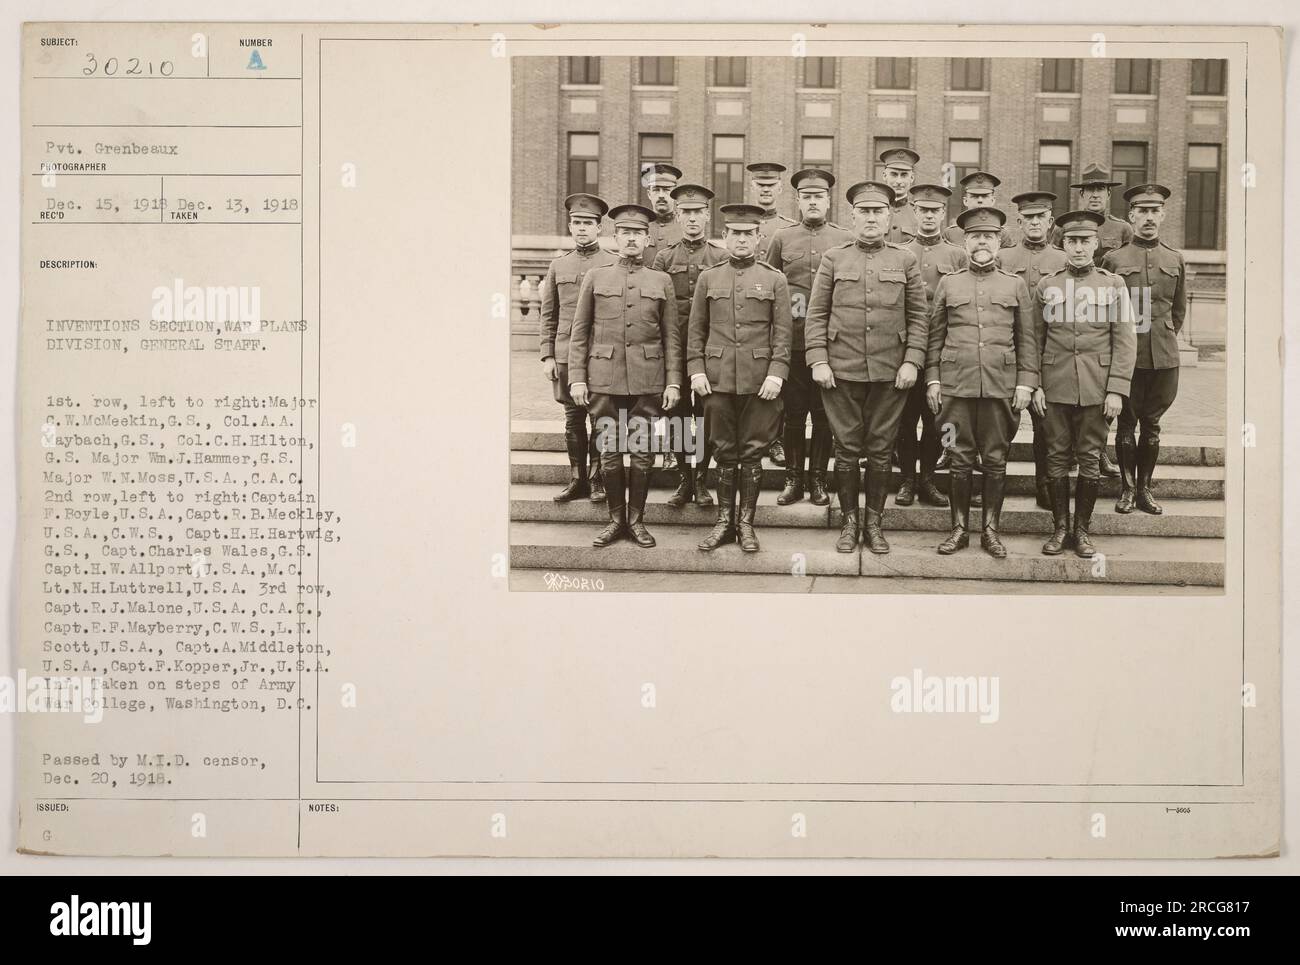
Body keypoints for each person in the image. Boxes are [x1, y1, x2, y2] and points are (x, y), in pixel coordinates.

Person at [805, 180, 928, 554]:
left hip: (891, 373)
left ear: (889, 216)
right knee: (845, 449)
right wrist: (818, 359)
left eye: (878, 212)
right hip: (841, 370)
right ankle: (848, 523)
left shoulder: (905, 259)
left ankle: (873, 523)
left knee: (880, 448)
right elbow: (816, 313)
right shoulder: (834, 258)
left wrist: (912, 361)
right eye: (864, 212)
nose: (871, 218)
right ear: (853, 217)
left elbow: (919, 316)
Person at [925, 207, 1038, 557]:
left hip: (1000, 389)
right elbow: (935, 336)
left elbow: (1027, 340)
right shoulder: (949, 282)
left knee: (995, 459)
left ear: (999, 241)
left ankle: (991, 531)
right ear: (965, 241)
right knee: (958, 458)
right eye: (975, 237)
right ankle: (959, 529)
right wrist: (932, 380)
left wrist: (1025, 383)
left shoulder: (1014, 284)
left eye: (988, 236)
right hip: (955, 390)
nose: (982, 243)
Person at [568, 203, 682, 549]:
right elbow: (580, 330)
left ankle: (637, 520)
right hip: (604, 376)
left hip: (648, 377)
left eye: (638, 233)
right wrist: (577, 377)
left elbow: (671, 336)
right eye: (625, 233)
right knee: (610, 450)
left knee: (644, 451)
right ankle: (616, 520)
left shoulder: (660, 280)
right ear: (614, 237)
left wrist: (674, 381)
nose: (632, 239)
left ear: (648, 240)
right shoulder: (596, 276)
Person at [1031, 210, 1136, 558]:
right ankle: (1060, 528)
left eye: (1085, 241)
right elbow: (1034, 339)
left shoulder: (1112, 284)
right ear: (1062, 243)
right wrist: (1035, 386)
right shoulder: (1048, 285)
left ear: (1096, 244)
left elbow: (1124, 340)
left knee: (1090, 458)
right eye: (1072, 241)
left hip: (1097, 387)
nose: (1078, 248)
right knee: (1056, 457)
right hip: (1055, 385)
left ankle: (1082, 531)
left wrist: (1117, 389)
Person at [688, 204, 793, 553]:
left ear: (759, 238)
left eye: (749, 234)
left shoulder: (775, 279)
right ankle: (723, 523)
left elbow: (783, 335)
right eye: (735, 233)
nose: (742, 240)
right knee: (723, 452)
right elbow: (695, 331)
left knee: (751, 455)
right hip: (716, 380)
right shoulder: (709, 277)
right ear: (725, 236)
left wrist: (777, 373)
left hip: (760, 381)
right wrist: (696, 370)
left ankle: (745, 524)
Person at [765, 169, 854, 506]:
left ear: (829, 201)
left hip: (830, 347)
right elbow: (771, 290)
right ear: (798, 201)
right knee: (792, 415)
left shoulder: (843, 239)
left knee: (823, 416)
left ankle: (818, 480)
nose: (813, 202)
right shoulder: (782, 238)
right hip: (793, 343)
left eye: (819, 196)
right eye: (807, 197)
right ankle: (793, 479)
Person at [1102, 183, 1186, 515]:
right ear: (1131, 216)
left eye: (1155, 211)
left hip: (1164, 358)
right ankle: (1126, 489)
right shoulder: (1114, 259)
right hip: (1127, 358)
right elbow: (1104, 309)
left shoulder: (1175, 258)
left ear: (1163, 215)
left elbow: (1177, 312)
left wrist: (1163, 337)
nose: (1149, 218)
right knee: (1126, 423)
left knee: (1152, 425)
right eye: (1142, 211)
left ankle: (1145, 490)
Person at [539, 193, 618, 503]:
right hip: (565, 353)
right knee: (573, 418)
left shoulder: (611, 263)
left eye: (588, 223)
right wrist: (547, 355)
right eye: (577, 223)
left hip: (599, 355)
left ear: (599, 228)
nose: (582, 228)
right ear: (570, 227)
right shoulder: (559, 265)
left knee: (599, 416)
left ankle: (598, 478)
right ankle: (577, 478)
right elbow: (549, 314)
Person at [652, 183, 727, 508]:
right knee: (678, 416)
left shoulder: (721, 256)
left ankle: (702, 476)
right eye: (686, 213)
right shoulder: (664, 257)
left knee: (709, 414)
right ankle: (685, 478)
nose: (693, 219)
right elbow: (654, 308)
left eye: (698, 212)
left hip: (712, 351)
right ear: (678, 216)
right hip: (675, 350)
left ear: (707, 216)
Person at [997, 191, 1068, 509]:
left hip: (1049, 352)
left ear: (1051, 222)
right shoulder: (1004, 257)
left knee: (1046, 425)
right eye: (1028, 218)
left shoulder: (1063, 260)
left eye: (1040, 217)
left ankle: (1046, 485)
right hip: (1007, 352)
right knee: (998, 423)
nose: (1035, 223)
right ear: (1019, 222)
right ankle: (989, 483)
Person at [897, 183, 965, 507]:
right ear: (914, 211)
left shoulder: (957, 254)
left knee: (938, 420)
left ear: (943, 214)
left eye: (935, 211)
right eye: (922, 210)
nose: (928, 216)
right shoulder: (900, 250)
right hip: (905, 350)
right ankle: (907, 480)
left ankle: (928, 479)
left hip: (942, 351)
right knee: (905, 420)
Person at [942, 171, 1020, 249]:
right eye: (974, 196)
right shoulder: (951, 234)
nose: (980, 200)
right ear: (965, 201)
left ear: (993, 200)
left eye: (985, 196)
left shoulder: (1002, 234)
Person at [747, 161, 796, 263]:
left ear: (780, 189)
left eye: (771, 185)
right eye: (760, 185)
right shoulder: (741, 224)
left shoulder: (791, 228)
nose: (766, 189)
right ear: (752, 188)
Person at [640, 162, 683, 268]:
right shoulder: (640, 226)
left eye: (666, 190)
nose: (661, 195)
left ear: (675, 194)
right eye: (655, 190)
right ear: (649, 194)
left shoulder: (685, 226)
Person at [880, 147, 919, 244]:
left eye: (904, 175)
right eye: (894, 174)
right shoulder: (874, 211)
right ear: (885, 176)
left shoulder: (919, 213)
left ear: (912, 178)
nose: (898, 181)